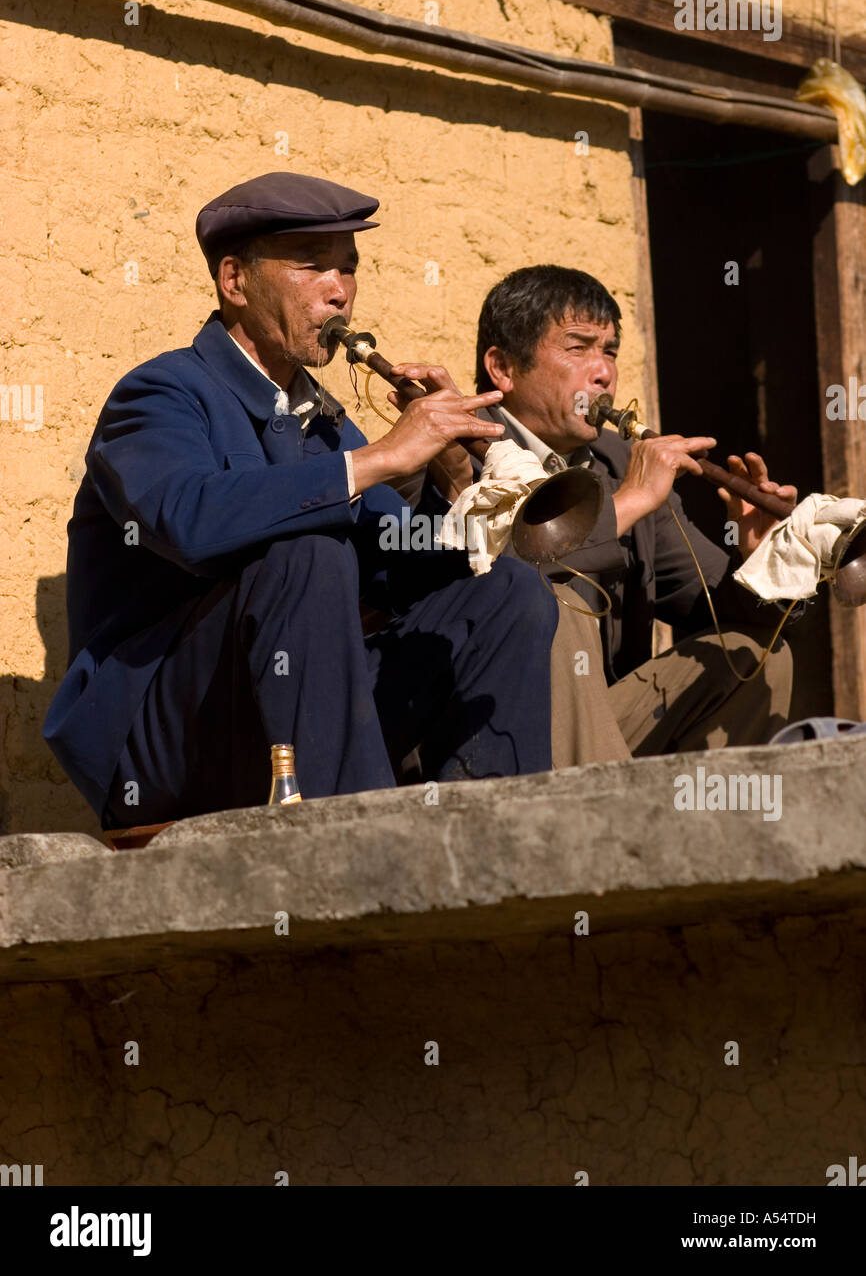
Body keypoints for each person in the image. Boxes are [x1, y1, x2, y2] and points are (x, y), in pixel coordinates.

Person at [43, 174, 558, 829]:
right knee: (305, 555)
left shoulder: (328, 422)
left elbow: (398, 571)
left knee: (505, 595)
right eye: (313, 267)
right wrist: (380, 458)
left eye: (348, 269)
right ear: (235, 281)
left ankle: (497, 839)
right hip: (164, 739)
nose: (339, 290)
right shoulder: (159, 393)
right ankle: (359, 841)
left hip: (298, 716)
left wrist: (462, 465)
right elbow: (188, 519)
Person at [472, 264, 800, 766]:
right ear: (503, 368)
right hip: (493, 732)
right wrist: (628, 502)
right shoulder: (456, 453)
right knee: (554, 604)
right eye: (578, 348)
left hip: (603, 733)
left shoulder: (620, 463)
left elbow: (711, 604)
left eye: (609, 352)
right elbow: (502, 581)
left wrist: (764, 559)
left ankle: (701, 834)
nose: (603, 371)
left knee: (755, 656)